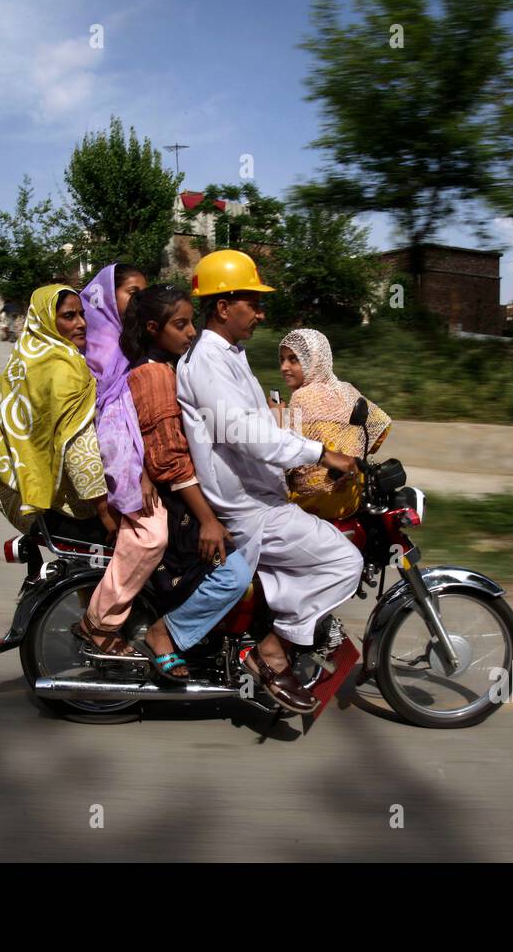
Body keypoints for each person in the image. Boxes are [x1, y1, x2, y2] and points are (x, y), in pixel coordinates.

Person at [176, 250, 364, 713]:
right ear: (223, 306)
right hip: (247, 506)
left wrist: (298, 445)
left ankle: (272, 634)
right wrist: (323, 453)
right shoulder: (207, 362)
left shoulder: (231, 355)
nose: (260, 313)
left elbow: (260, 425)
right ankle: (273, 651)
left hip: (261, 493)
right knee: (345, 560)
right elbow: (244, 433)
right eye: (252, 304)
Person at [0, 284, 141, 664]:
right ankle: (106, 628)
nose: (81, 323)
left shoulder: (26, 357)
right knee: (146, 540)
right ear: (46, 320)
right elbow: (78, 445)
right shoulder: (64, 367)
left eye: (81, 313)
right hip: (63, 499)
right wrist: (104, 509)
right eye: (68, 316)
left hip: (18, 489)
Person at [117, 283, 259, 680]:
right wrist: (207, 519)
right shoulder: (155, 375)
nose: (191, 332)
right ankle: (166, 634)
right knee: (234, 573)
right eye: (180, 325)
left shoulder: (166, 367)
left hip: (184, 490)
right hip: (177, 501)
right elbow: (169, 461)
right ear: (151, 328)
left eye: (191, 323)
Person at [78, 263, 179, 674]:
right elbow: (108, 425)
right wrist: (137, 473)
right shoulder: (97, 349)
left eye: (143, 293)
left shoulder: (131, 344)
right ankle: (99, 622)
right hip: (114, 457)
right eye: (130, 292)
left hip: (137, 454)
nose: (137, 300)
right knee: (152, 535)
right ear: (105, 297)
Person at [278, 328, 392, 519]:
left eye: (293, 359)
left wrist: (279, 417)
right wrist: (353, 451)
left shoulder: (302, 397)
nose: (284, 367)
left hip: (317, 500)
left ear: (313, 360)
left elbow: (286, 455)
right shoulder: (346, 389)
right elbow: (381, 428)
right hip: (353, 494)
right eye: (281, 359)